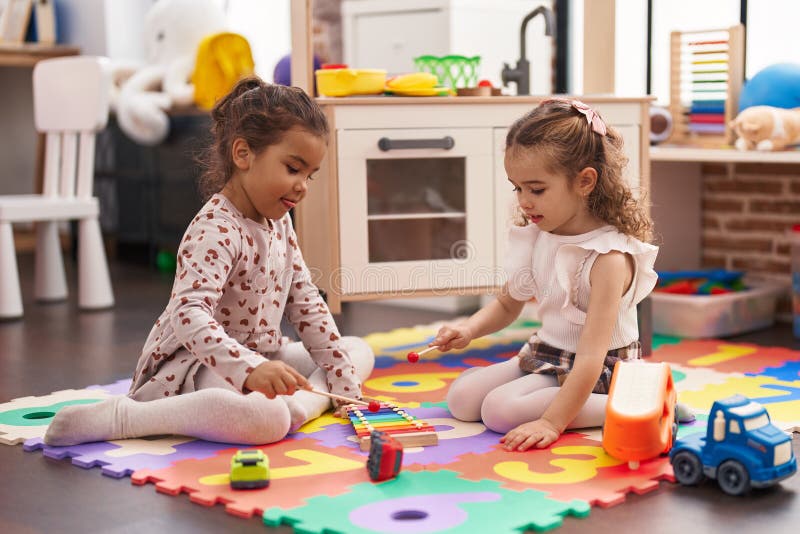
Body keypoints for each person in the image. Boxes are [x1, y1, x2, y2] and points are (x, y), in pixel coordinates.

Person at [45, 77, 374, 446]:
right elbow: (189, 316)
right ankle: (128, 417)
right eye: (293, 169)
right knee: (263, 418)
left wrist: (342, 378)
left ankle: (301, 407)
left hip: (264, 355)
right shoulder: (216, 228)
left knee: (357, 351)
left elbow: (307, 302)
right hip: (198, 365)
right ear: (243, 154)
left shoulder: (280, 222)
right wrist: (250, 369)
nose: (303, 186)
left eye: (309, 175)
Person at [438, 99, 658, 451]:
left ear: (585, 181)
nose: (524, 201)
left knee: (498, 411)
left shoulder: (609, 259)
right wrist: (468, 329)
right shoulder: (540, 235)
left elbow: (589, 358)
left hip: (598, 371)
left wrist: (551, 422)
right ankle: (540, 394)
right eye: (517, 188)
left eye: (536, 189)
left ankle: (646, 401)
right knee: (462, 399)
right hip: (546, 353)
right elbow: (507, 305)